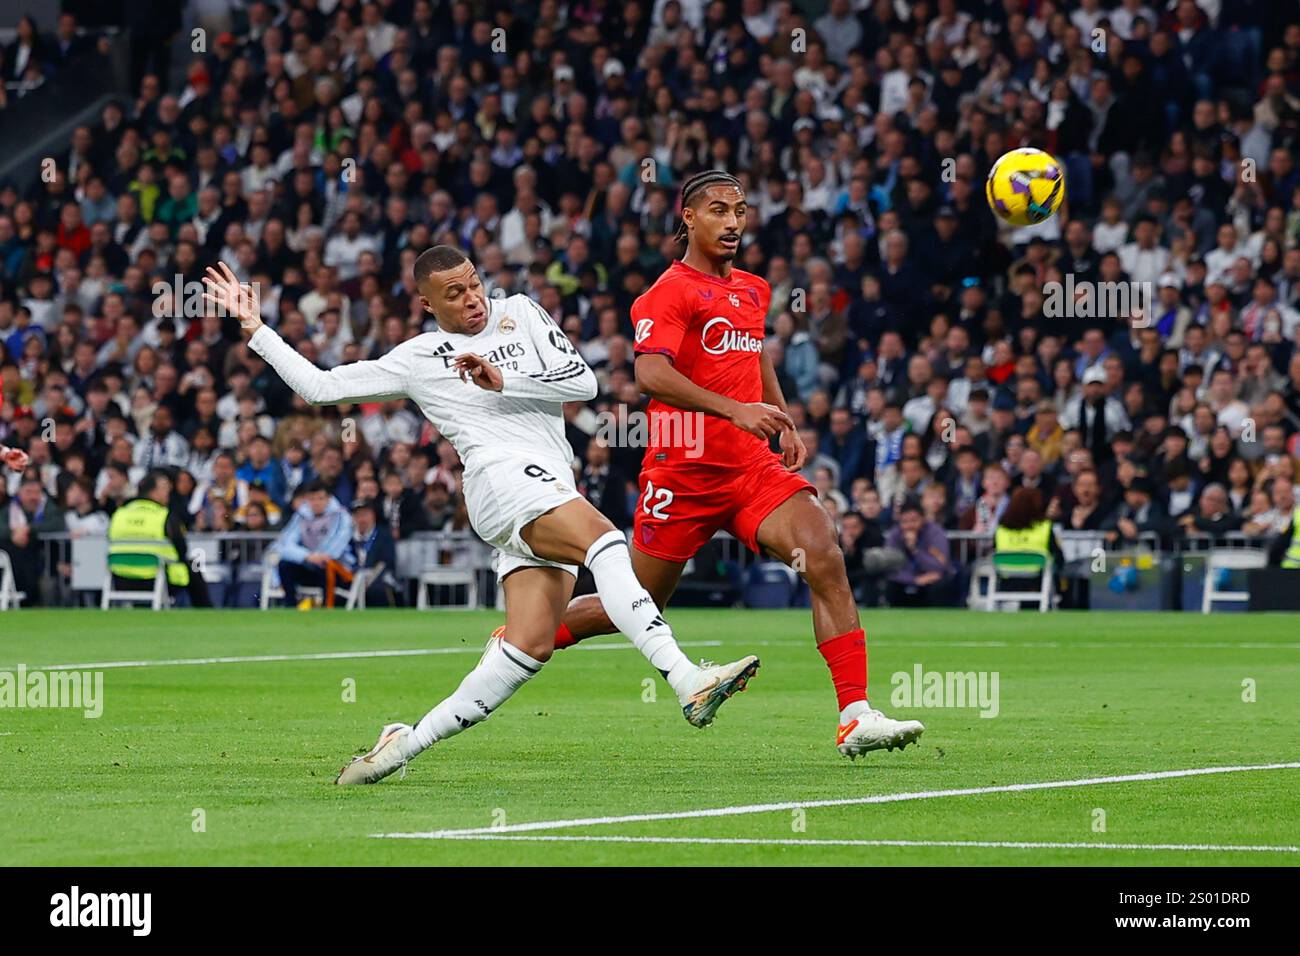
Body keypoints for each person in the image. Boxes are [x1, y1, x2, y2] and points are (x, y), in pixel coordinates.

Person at [203, 252, 757, 786]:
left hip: (550, 482)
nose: (473, 299)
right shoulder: (419, 358)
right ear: (427, 305)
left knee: (529, 647)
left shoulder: (522, 311)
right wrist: (256, 327)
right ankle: (687, 679)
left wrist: (505, 380)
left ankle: (403, 743)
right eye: (455, 294)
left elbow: (583, 384)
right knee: (606, 543)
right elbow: (321, 387)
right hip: (499, 481)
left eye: (474, 284)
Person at [503, 171, 923, 758]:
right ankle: (530, 633)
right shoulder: (668, 292)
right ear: (689, 219)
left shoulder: (753, 289)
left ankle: (855, 714)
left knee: (822, 550)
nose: (732, 222)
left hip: (750, 469)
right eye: (719, 210)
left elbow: (756, 356)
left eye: (741, 211)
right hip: (683, 472)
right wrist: (735, 410)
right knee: (639, 603)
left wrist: (781, 418)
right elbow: (650, 374)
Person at [107, 469, 212, 607]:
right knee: (193, 567)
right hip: (156, 577)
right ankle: (205, 612)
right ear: (152, 491)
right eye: (164, 487)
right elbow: (181, 549)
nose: (169, 491)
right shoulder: (164, 516)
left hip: (121, 578)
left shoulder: (119, 514)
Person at [269, 478, 355, 607]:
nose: (316, 503)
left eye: (320, 498)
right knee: (284, 565)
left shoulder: (341, 516)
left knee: (327, 565)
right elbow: (285, 545)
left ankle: (327, 609)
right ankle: (291, 606)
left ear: (328, 499)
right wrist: (307, 556)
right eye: (312, 499)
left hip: (337, 568)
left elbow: (337, 546)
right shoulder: (301, 516)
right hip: (310, 563)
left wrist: (318, 557)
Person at [884, 498, 955, 607]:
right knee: (891, 587)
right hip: (908, 579)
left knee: (940, 586)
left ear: (923, 519)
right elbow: (889, 567)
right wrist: (914, 579)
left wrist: (915, 550)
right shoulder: (895, 535)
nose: (909, 525)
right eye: (904, 522)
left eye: (913, 520)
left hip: (932, 579)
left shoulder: (935, 533)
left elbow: (940, 566)